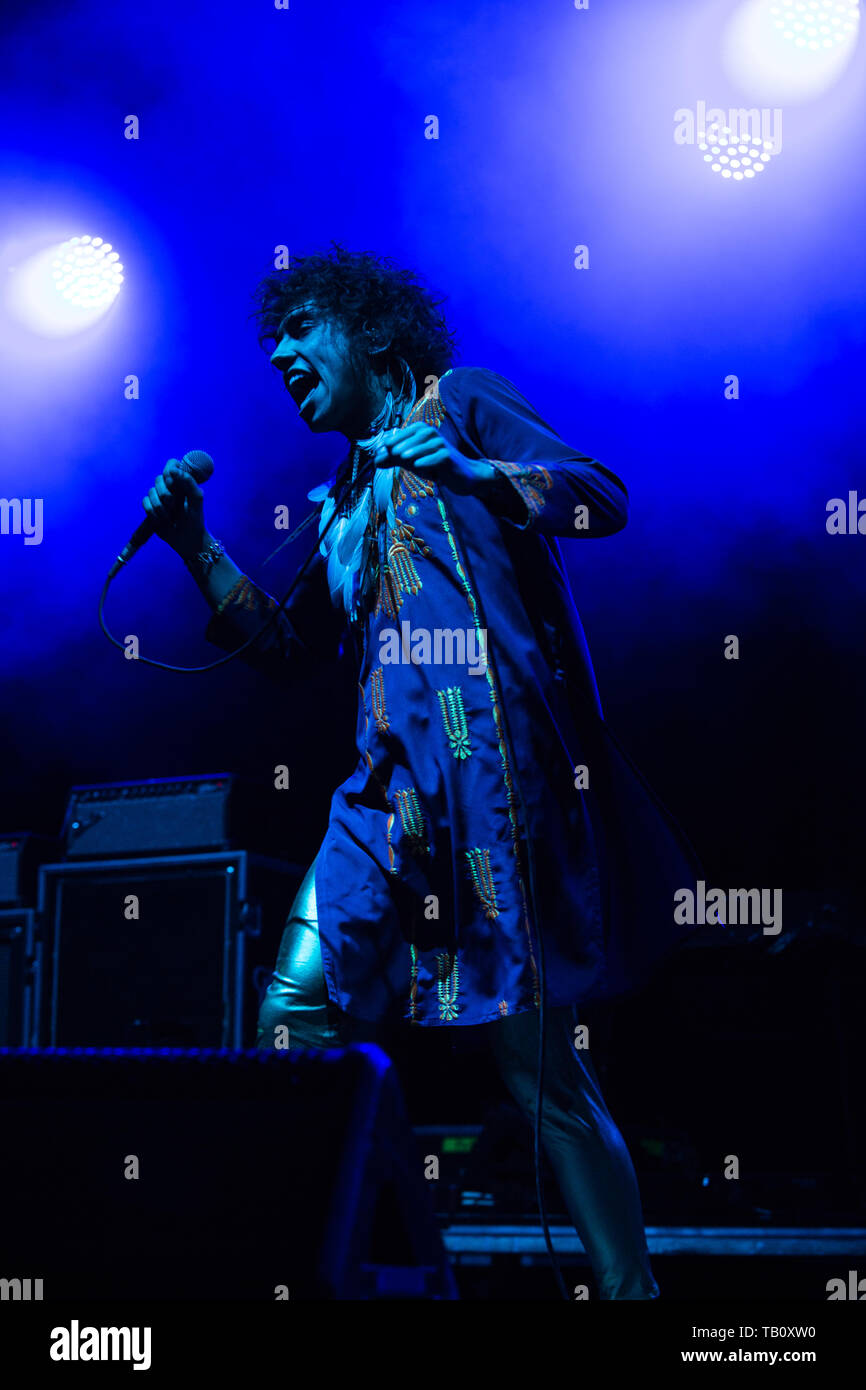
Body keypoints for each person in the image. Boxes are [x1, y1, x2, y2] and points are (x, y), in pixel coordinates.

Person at [143, 245, 700, 1299]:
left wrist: (478, 473)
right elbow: (284, 650)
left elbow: (600, 497)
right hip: (378, 795)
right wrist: (192, 544)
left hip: (490, 780)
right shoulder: (344, 493)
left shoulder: (463, 401)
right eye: (274, 343)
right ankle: (337, 1266)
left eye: (303, 328)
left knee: (536, 1073)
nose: (280, 352)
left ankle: (632, 1297)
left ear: (377, 334)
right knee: (290, 1018)